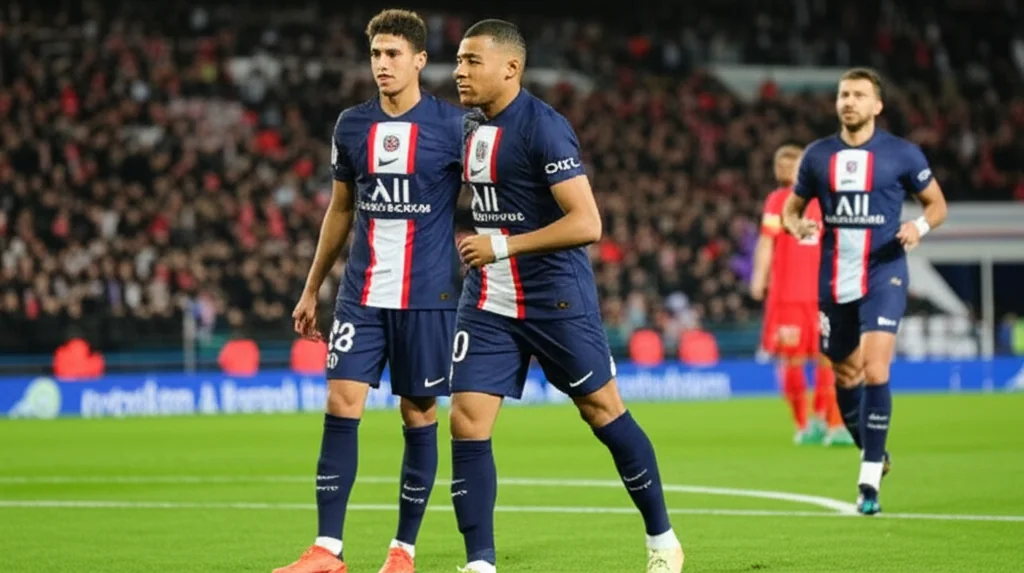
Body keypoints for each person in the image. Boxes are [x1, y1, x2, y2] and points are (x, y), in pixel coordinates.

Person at [447, 19, 684, 573]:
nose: (459, 71)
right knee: (466, 420)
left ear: (510, 67)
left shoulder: (544, 128)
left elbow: (588, 223)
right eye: (458, 61)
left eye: (471, 61)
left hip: (555, 298)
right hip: (487, 300)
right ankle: (480, 562)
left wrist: (503, 246)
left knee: (603, 412)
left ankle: (662, 541)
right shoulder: (469, 127)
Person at [275, 9, 465, 573]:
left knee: (418, 413)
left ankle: (402, 551)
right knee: (341, 401)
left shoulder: (455, 127)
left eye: (393, 54)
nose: (382, 64)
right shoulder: (351, 125)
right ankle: (327, 550)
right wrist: (312, 289)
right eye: (376, 54)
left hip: (426, 296)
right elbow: (340, 209)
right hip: (360, 293)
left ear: (419, 61)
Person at [781, 67, 948, 515]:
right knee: (845, 374)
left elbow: (937, 204)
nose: (848, 101)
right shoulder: (817, 156)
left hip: (884, 273)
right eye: (843, 94)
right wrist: (798, 226)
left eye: (858, 95)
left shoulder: (902, 154)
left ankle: (868, 480)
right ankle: (876, 450)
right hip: (834, 278)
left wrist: (919, 225)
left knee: (875, 369)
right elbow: (790, 212)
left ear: (877, 105)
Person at [751, 144, 853, 447]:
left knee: (828, 359)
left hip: (821, 295)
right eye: (780, 165)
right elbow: (767, 243)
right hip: (787, 297)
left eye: (790, 164)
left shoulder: (824, 200)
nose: (784, 169)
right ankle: (804, 425)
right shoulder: (778, 200)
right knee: (793, 362)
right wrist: (759, 277)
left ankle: (830, 423)